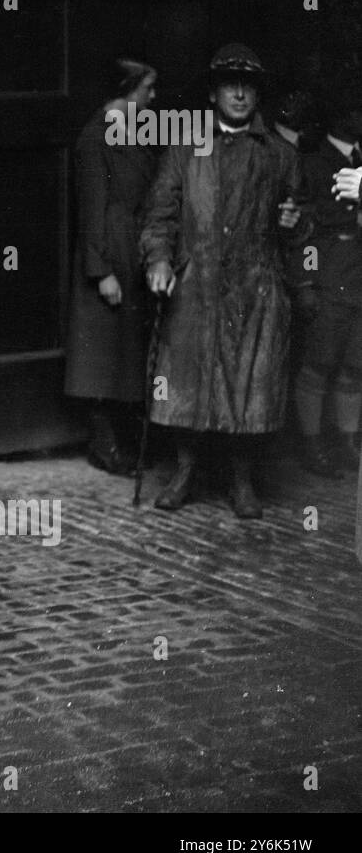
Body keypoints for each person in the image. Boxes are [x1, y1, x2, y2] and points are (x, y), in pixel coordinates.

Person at [141, 44, 308, 518]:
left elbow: (302, 222)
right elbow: (161, 212)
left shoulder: (280, 155)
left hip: (257, 287)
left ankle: (241, 479)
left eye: (248, 84)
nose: (238, 92)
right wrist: (158, 260)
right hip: (196, 283)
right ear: (213, 92)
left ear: (257, 93)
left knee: (250, 384)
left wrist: (296, 222)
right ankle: (185, 471)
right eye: (229, 84)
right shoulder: (185, 146)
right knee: (188, 383)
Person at [64, 57, 161, 474]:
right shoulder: (95, 138)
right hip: (108, 253)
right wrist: (100, 271)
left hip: (131, 250)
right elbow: (91, 208)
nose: (154, 97)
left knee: (125, 355)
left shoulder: (135, 133)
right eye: (149, 89)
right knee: (102, 359)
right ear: (128, 90)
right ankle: (105, 446)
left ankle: (125, 443)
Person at [293, 79, 362, 476]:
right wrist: (305, 283)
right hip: (330, 273)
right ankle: (312, 445)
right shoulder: (314, 162)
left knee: (355, 364)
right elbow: (305, 232)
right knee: (318, 364)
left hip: (360, 277)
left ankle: (347, 442)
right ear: (343, 116)